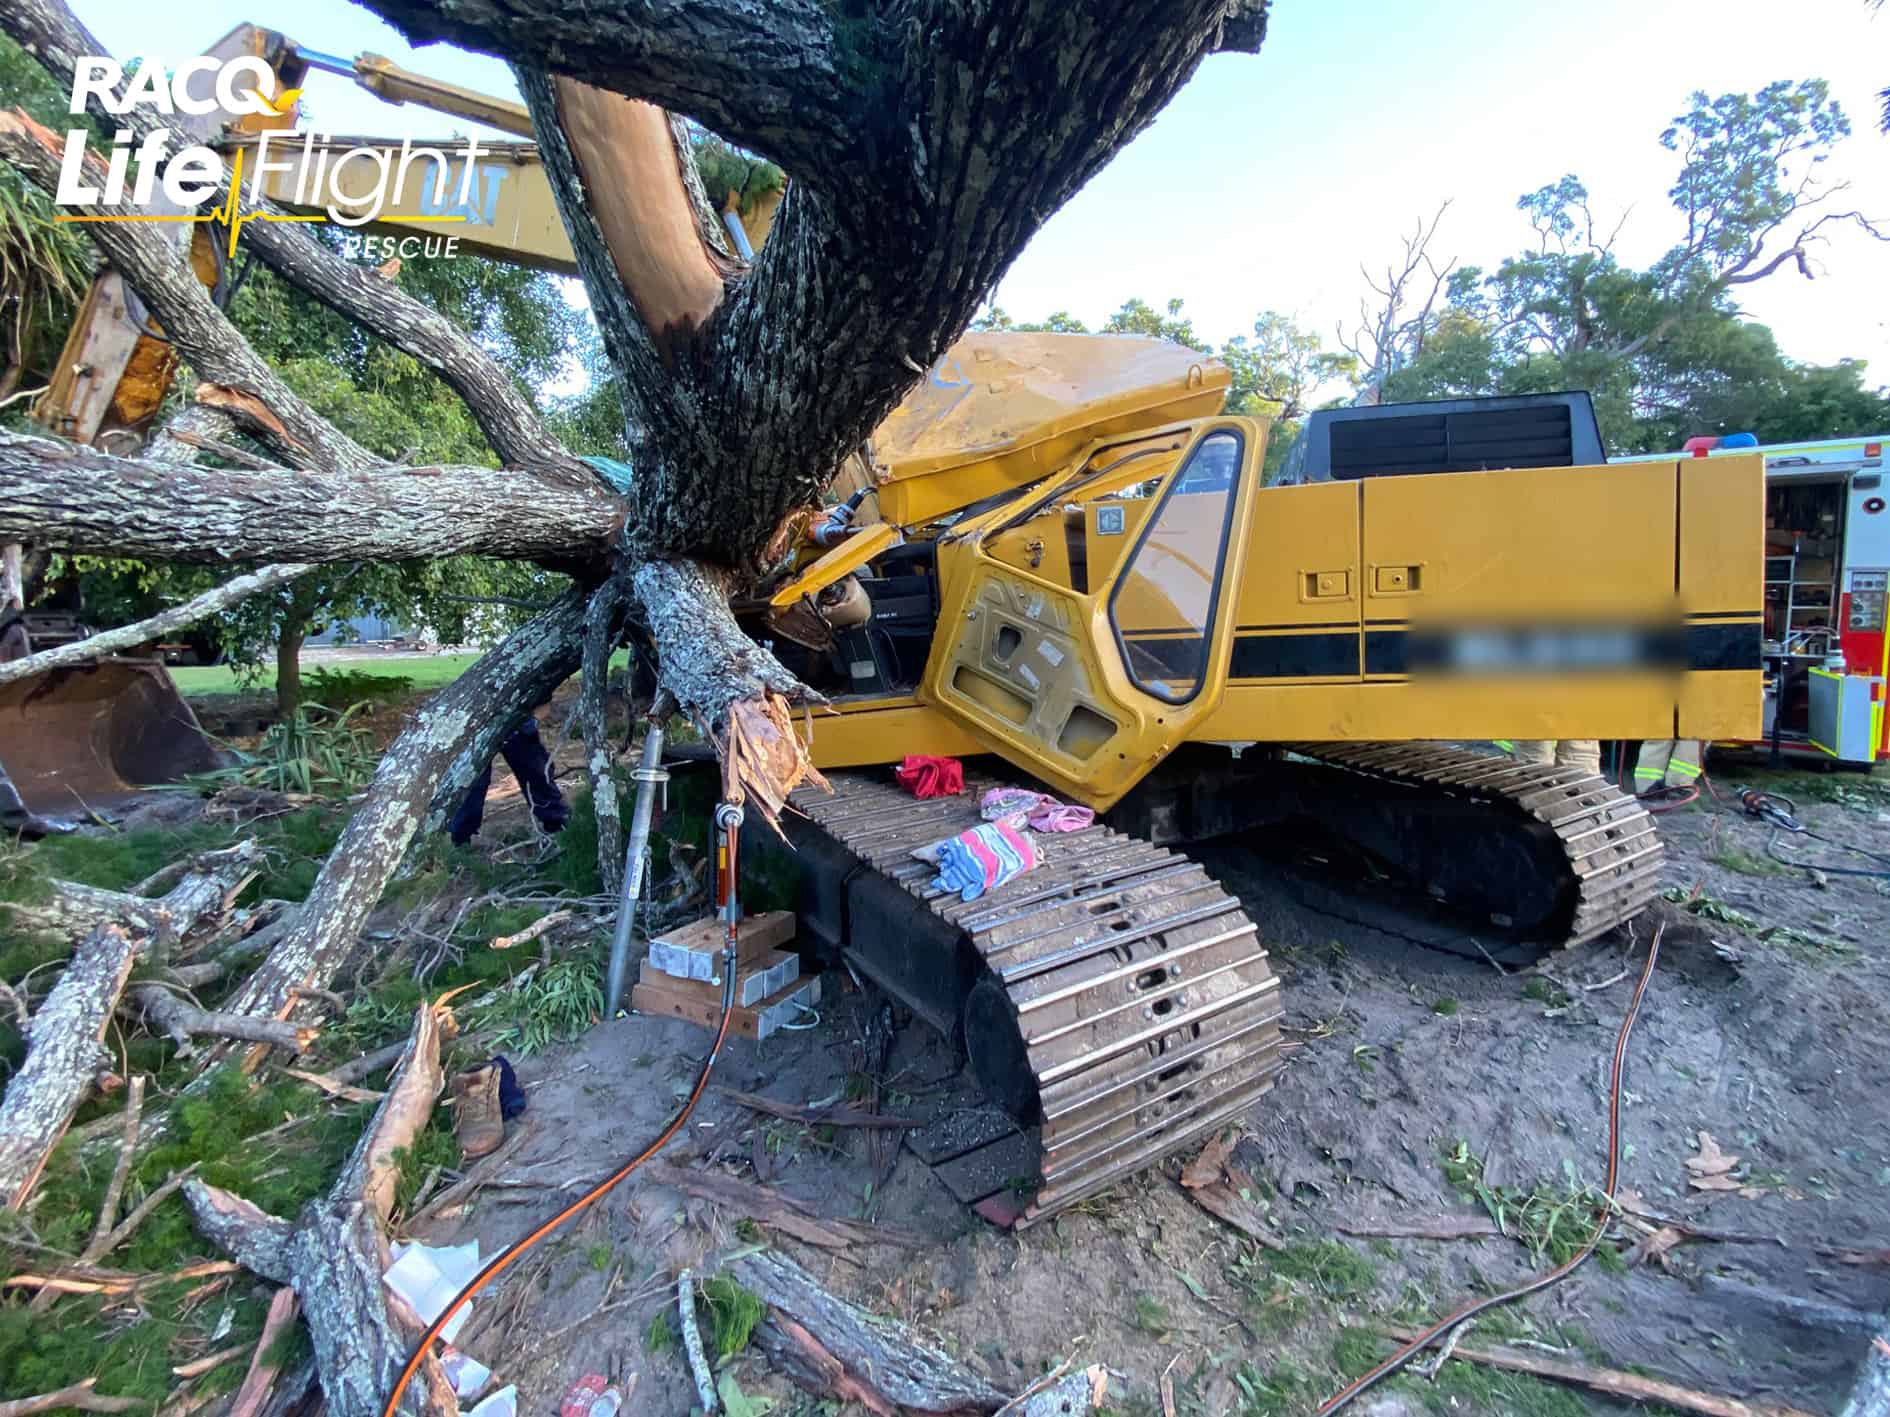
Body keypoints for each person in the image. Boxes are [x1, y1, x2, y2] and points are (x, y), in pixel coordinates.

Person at [448, 709, 569, 845]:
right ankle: (459, 842)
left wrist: (534, 715)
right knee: (472, 783)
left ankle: (559, 826)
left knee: (536, 770)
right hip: (474, 717)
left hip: (515, 714)